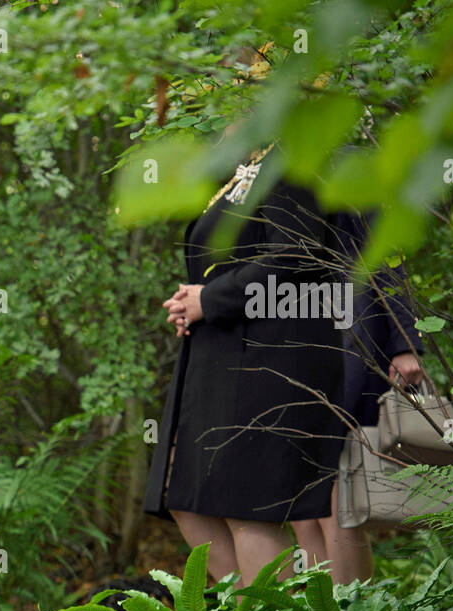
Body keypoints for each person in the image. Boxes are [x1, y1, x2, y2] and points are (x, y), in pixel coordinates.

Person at [142, 140, 346, 585]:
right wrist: (194, 302)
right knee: (186, 494)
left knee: (247, 510)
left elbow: (296, 252)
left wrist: (212, 299)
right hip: (222, 354)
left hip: (267, 360)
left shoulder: (291, 159)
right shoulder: (247, 166)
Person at [290, 206, 425, 584]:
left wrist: (406, 340)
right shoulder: (267, 169)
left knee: (338, 491)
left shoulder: (342, 160)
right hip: (292, 336)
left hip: (351, 334)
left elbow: (383, 245)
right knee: (302, 493)